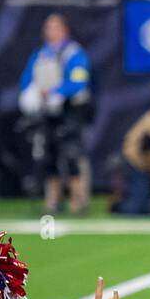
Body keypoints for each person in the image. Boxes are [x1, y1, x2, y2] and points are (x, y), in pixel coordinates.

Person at [17, 14, 93, 215]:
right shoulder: (40, 54)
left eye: (55, 27)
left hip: (70, 111)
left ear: (64, 30)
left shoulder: (73, 53)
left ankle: (79, 200)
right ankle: (53, 200)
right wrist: (32, 91)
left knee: (72, 155)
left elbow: (79, 80)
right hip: (47, 112)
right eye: (48, 27)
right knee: (49, 155)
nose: (50, 32)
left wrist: (57, 92)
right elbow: (27, 78)